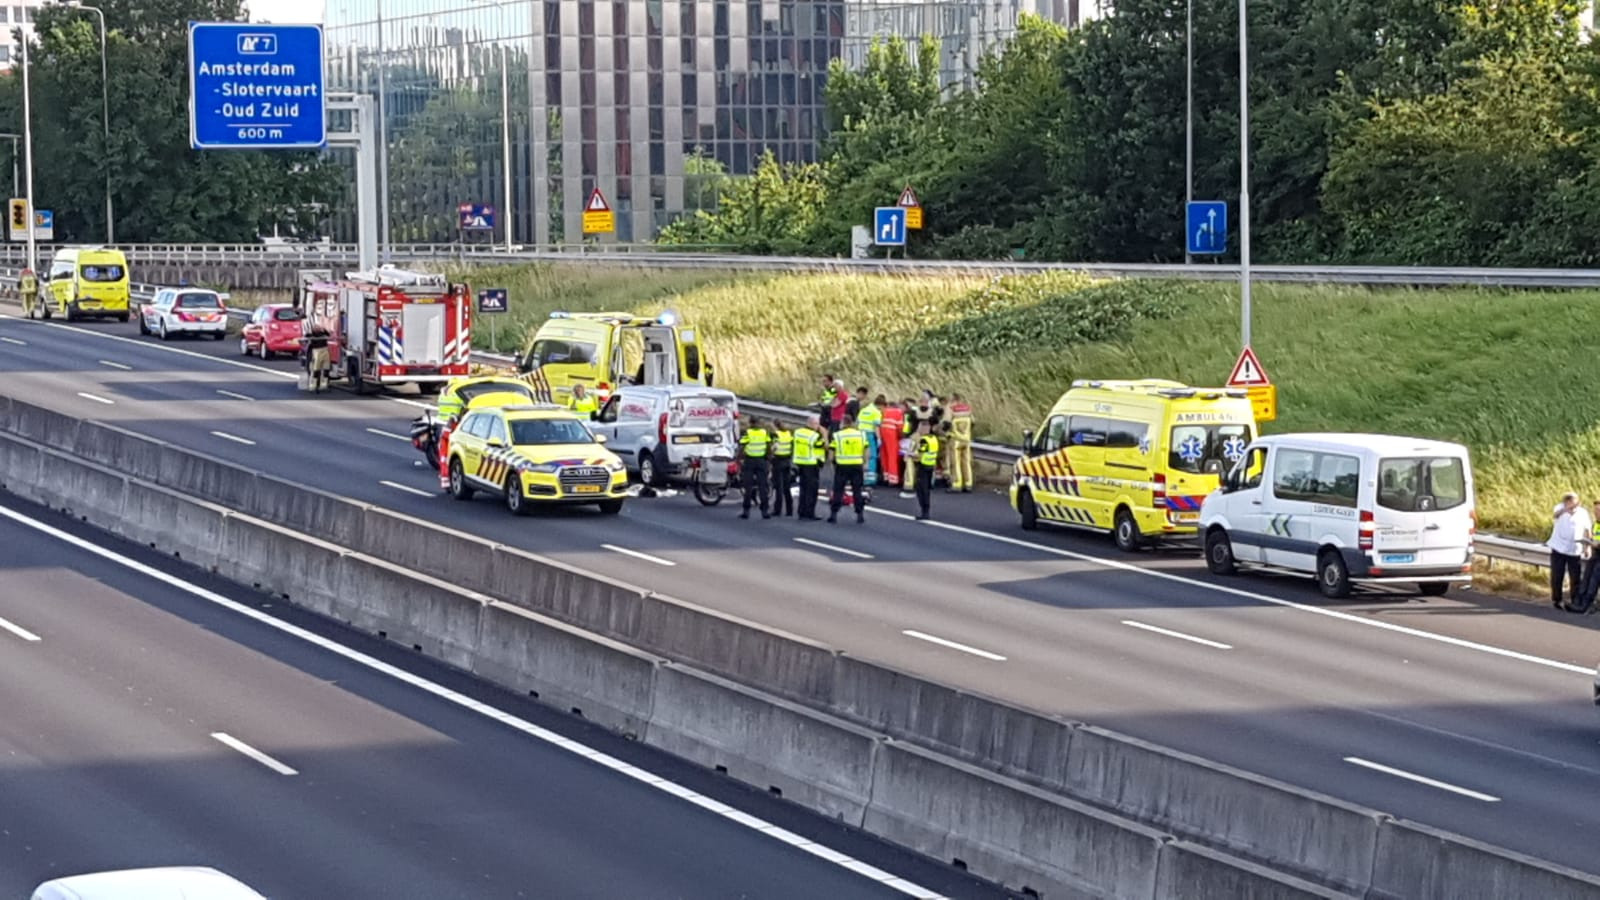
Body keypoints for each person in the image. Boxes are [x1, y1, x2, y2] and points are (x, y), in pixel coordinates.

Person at [1546, 492, 1590, 610]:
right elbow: (1555, 515)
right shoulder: (1560, 508)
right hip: (1558, 548)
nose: (1574, 508)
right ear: (1566, 503)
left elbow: (1587, 529)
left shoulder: (1583, 513)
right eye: (1571, 505)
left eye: (1576, 505)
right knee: (1557, 575)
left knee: (1575, 577)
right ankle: (1557, 599)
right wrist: (1566, 510)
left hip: (1574, 550)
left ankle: (1574, 600)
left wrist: (1587, 547)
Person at [828, 415, 867, 524]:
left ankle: (833, 514)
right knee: (857, 490)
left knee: (838, 491)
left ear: (843, 423)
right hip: (857, 465)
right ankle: (860, 514)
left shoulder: (837, 436)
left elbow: (831, 453)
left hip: (842, 466)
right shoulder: (861, 435)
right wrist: (865, 462)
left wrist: (831, 463)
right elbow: (866, 449)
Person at [793, 415, 826, 520]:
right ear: (811, 424)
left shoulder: (797, 432)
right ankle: (809, 512)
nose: (818, 426)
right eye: (817, 424)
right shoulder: (814, 436)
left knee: (803, 489)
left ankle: (801, 511)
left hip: (800, 463)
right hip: (811, 464)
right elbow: (824, 446)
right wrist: (824, 434)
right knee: (811, 490)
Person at [738, 418, 772, 520]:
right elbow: (768, 446)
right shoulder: (764, 432)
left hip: (750, 461)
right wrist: (768, 459)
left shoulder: (748, 433)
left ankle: (746, 511)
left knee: (748, 487)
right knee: (763, 487)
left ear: (751, 423)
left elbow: (742, 445)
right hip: (761, 461)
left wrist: (739, 458)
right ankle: (765, 511)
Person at [1574, 500, 1600, 614]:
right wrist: (1588, 543)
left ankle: (1586, 604)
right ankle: (1578, 601)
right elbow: (1593, 536)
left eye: (1598, 511)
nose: (1596, 513)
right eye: (1595, 511)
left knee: (1594, 579)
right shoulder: (1596, 524)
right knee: (1586, 576)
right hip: (1596, 553)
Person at [945, 393, 973, 493]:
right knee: (966, 462)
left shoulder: (950, 409)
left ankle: (956, 484)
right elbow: (973, 422)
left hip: (955, 440)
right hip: (966, 439)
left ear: (952, 400)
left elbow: (946, 423)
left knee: (955, 463)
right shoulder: (968, 408)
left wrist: (946, 433)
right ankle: (968, 483)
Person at [913, 419, 940, 520]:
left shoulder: (923, 440)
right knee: (927, 490)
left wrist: (912, 455)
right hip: (931, 466)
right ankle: (926, 511)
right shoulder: (934, 438)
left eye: (920, 427)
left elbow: (920, 454)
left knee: (922, 490)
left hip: (923, 466)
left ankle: (924, 512)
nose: (919, 429)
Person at [856, 391, 883, 486]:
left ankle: (860, 477)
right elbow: (876, 427)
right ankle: (870, 479)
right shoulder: (876, 412)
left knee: (861, 456)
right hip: (869, 435)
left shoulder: (863, 410)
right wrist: (879, 439)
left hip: (859, 434)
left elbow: (857, 423)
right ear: (880, 405)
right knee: (872, 456)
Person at [770, 420, 795, 517]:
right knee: (787, 487)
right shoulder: (788, 433)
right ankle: (789, 510)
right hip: (787, 461)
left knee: (779, 487)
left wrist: (770, 455)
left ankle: (778, 509)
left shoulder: (776, 434)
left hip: (778, 461)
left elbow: (774, 447)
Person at [878, 396, 903, 487]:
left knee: (884, 455)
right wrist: (901, 436)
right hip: (892, 434)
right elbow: (900, 427)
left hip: (882, 433)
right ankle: (893, 479)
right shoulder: (898, 412)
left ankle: (886, 476)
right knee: (892, 455)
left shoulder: (883, 411)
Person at [303, 320, 332, 393]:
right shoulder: (312, 335)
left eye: (318, 327)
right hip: (316, 351)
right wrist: (310, 332)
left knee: (326, 368)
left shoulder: (323, 333)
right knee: (316, 369)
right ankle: (314, 385)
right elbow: (306, 337)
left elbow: (328, 335)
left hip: (325, 350)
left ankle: (324, 385)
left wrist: (324, 329)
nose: (318, 329)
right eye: (316, 328)